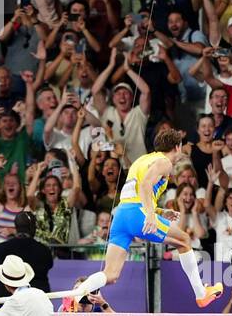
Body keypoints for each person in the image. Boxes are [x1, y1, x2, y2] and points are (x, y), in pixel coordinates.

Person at [73, 124, 222, 306]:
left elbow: (134, 193)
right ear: (176, 147)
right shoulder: (164, 162)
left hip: (121, 215)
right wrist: (151, 215)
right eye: (181, 147)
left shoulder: (141, 160)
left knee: (111, 274)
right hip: (138, 214)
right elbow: (145, 186)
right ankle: (201, 294)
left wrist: (159, 211)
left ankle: (77, 294)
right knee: (184, 239)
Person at [0, 210, 53, 298]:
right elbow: (49, 265)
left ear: (16, 226)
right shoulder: (44, 250)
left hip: (6, 298)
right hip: (36, 299)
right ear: (33, 227)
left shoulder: (1, 248)